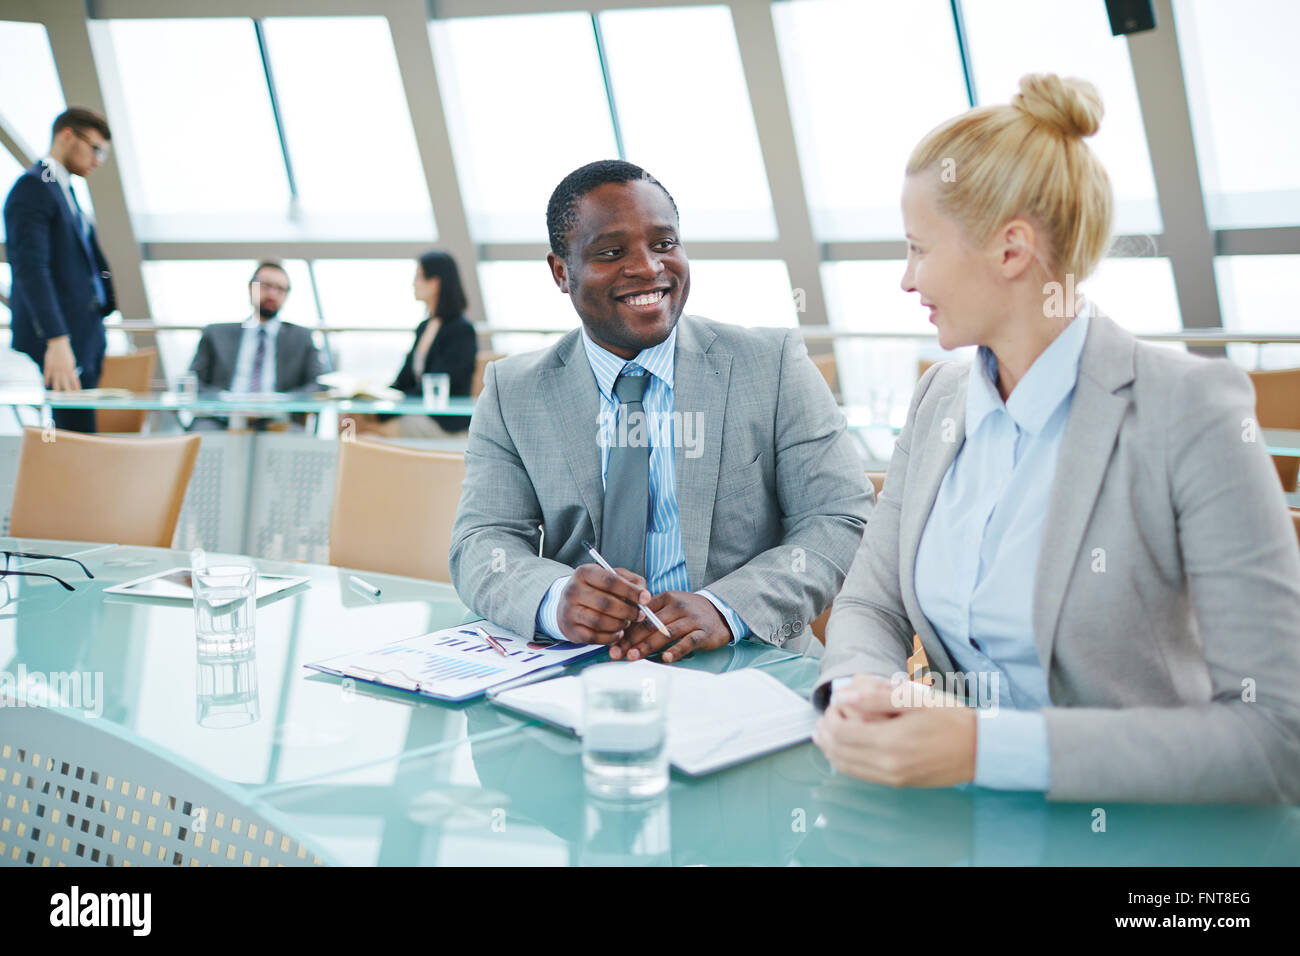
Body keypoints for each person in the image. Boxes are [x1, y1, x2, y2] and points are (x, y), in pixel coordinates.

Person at [813, 74, 1300, 803]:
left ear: (1012, 251)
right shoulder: (940, 398)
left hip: (1143, 840)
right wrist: (858, 694)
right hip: (951, 822)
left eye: (918, 248)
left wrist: (987, 749)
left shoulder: (1189, 411)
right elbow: (869, 605)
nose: (906, 279)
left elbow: (1276, 738)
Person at [450, 160, 871, 661]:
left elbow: (840, 516)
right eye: (611, 252)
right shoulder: (512, 390)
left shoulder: (772, 364)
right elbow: (482, 540)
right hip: (581, 669)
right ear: (562, 272)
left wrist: (724, 608)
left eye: (664, 244)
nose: (648, 268)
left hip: (749, 664)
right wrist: (556, 600)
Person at [4, 107, 116, 433]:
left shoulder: (64, 189)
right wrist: (56, 339)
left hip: (83, 335)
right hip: (61, 341)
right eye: (95, 149)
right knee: (69, 439)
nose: (98, 160)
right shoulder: (33, 187)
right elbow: (30, 269)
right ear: (68, 136)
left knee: (79, 436)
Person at [344, 250, 477, 438]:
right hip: (416, 411)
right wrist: (375, 395)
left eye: (419, 277)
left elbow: (438, 383)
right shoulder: (424, 327)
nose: (414, 284)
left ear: (435, 282)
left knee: (364, 433)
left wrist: (389, 410)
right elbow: (403, 381)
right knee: (352, 419)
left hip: (442, 420)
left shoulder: (461, 330)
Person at [187, 260, 325, 430]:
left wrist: (281, 401)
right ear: (251, 287)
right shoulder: (216, 334)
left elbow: (319, 383)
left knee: (297, 441)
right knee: (202, 437)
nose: (273, 294)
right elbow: (192, 381)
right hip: (221, 417)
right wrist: (227, 400)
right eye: (266, 286)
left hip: (278, 420)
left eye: (280, 289)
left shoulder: (302, 337)